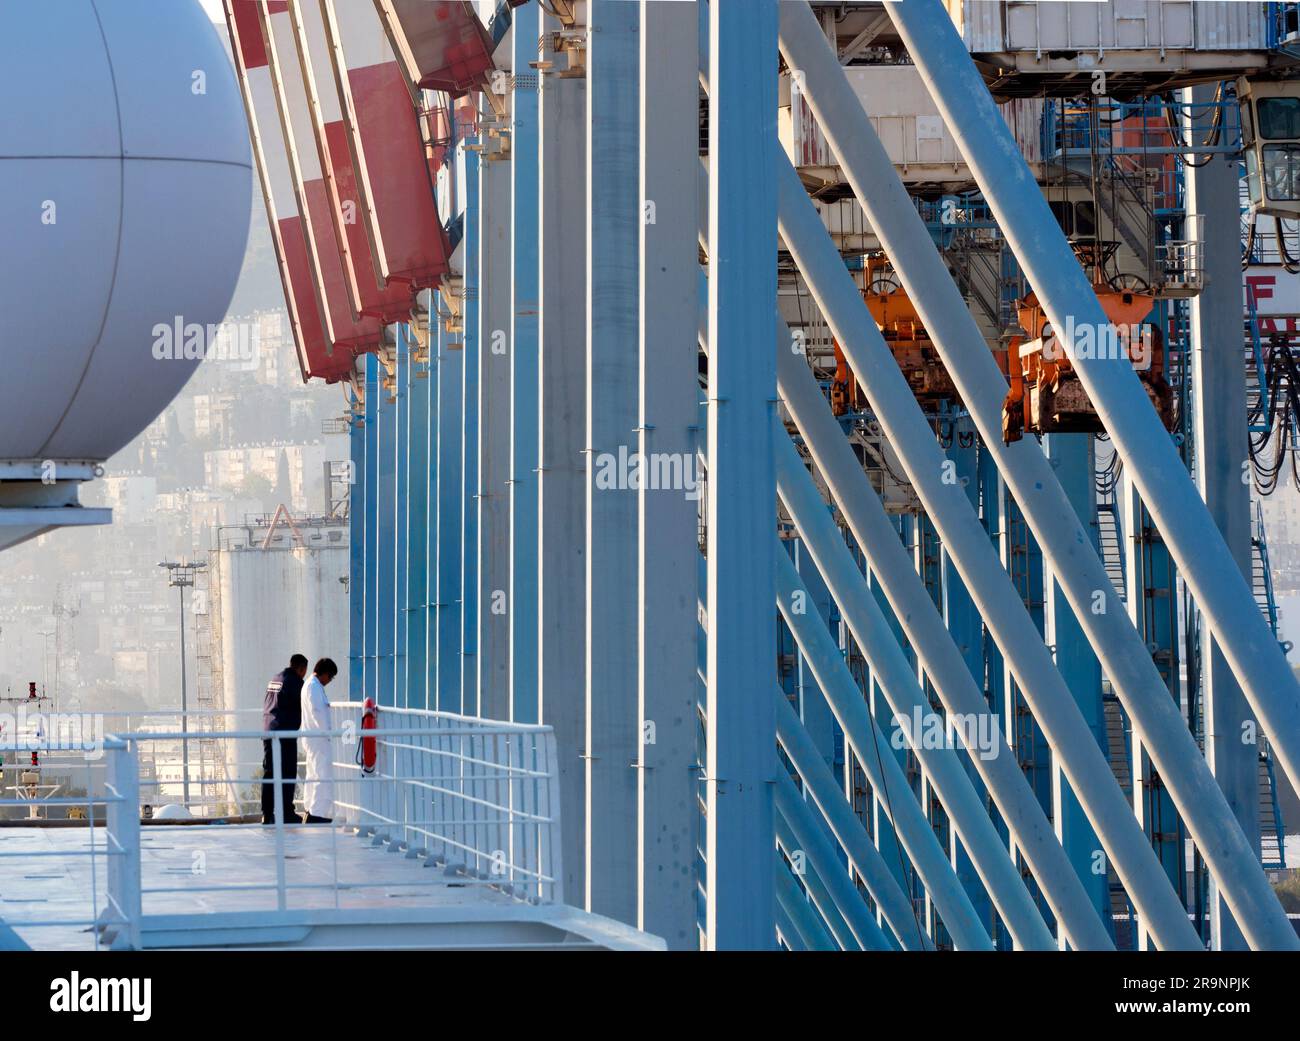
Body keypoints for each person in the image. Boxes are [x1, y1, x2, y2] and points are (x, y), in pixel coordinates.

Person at [261, 653, 308, 824]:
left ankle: (267, 813)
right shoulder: (295, 682)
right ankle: (287, 813)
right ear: (301, 669)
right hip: (284, 733)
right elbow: (304, 706)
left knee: (270, 773)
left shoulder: (276, 678)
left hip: (268, 730)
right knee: (287, 773)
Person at [299, 658, 338, 824]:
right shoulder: (314, 687)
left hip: (312, 737)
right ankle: (315, 813)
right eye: (331, 677)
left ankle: (310, 810)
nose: (330, 681)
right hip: (318, 738)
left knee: (313, 774)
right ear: (325, 673)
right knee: (322, 775)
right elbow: (318, 712)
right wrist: (329, 732)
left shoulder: (310, 685)